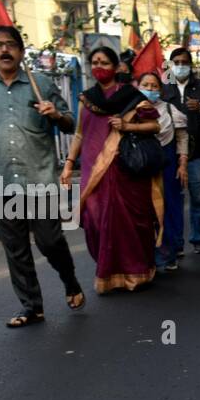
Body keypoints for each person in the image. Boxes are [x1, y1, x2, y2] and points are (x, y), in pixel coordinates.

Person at [0, 25, 83, 327]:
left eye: (10, 45)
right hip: (2, 181)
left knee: (49, 241)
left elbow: (69, 123)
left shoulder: (41, 84)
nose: (4, 51)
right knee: (15, 248)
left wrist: (56, 115)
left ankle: (70, 279)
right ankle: (31, 307)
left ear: (21, 51)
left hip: (39, 178)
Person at [60, 46, 162, 293]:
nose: (99, 67)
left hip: (126, 171)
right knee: (95, 222)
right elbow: (79, 134)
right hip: (93, 170)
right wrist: (69, 164)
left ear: (116, 68)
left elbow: (154, 126)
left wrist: (127, 128)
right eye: (94, 62)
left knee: (131, 223)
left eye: (104, 62)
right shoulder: (86, 99)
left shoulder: (132, 96)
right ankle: (109, 272)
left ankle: (135, 273)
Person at [160, 46, 200, 253]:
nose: (180, 66)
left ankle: (198, 240)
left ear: (191, 65)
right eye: (176, 62)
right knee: (172, 200)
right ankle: (175, 243)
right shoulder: (163, 90)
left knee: (198, 199)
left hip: (199, 153)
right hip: (170, 154)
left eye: (184, 62)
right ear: (170, 66)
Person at [138, 70, 188, 273]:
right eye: (145, 85)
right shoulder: (132, 110)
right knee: (144, 212)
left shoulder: (169, 109)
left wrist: (182, 163)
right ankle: (146, 258)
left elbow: (182, 137)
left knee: (169, 210)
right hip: (140, 168)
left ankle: (169, 254)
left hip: (167, 167)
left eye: (154, 86)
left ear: (160, 89)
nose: (150, 89)